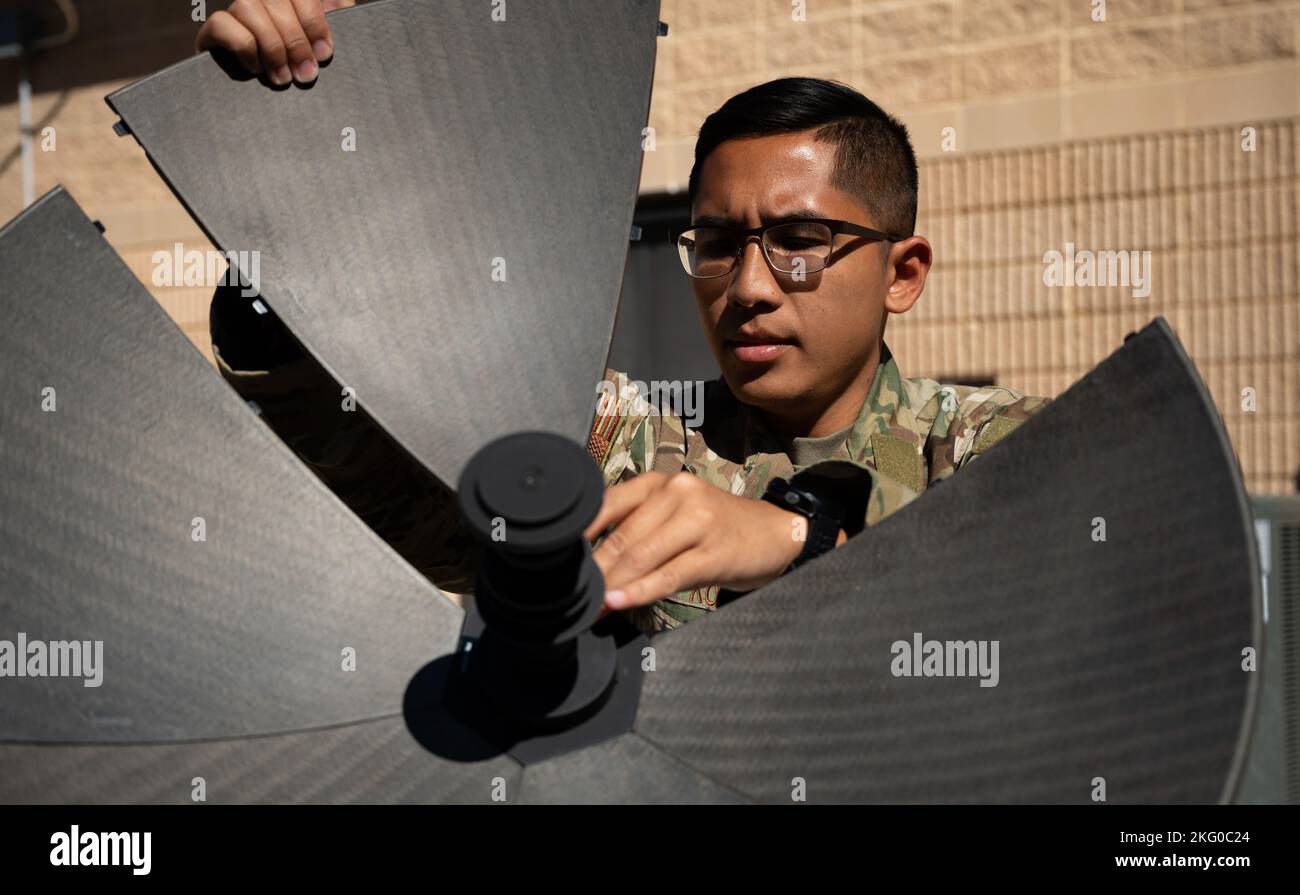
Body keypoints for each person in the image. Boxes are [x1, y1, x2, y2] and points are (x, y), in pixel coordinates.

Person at [201, 0, 1051, 634]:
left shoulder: (999, 451)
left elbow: (1090, 634)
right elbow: (400, 453)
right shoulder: (629, 450)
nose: (749, 285)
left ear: (903, 273)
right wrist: (310, 146)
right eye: (718, 242)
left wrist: (803, 544)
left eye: (799, 240)